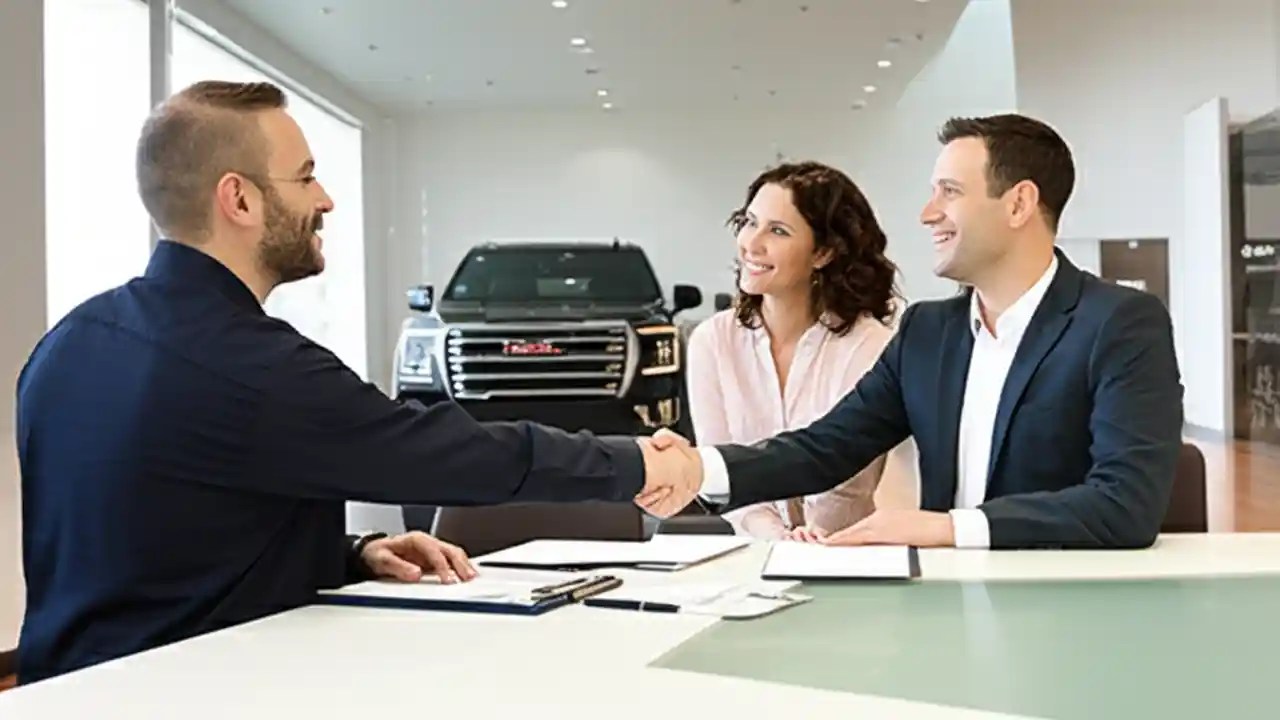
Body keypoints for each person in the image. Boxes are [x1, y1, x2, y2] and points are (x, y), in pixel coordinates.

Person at [14, 80, 691, 684]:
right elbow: (449, 453)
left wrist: (350, 552)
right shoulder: (255, 368)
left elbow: (157, 545)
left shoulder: (65, 345)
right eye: (305, 177)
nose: (326, 198)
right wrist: (634, 463)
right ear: (240, 198)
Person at [639, 113, 1184, 550]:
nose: (928, 213)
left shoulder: (1119, 322)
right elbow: (825, 448)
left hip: (1067, 609)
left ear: (1019, 203)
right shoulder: (929, 330)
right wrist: (696, 467)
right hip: (947, 610)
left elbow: (1125, 506)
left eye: (948, 191)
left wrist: (944, 528)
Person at [686, 161, 912, 540]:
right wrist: (776, 536)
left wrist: (814, 537)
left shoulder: (872, 345)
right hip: (756, 554)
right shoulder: (712, 341)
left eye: (777, 230)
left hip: (852, 553)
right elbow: (720, 467)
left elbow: (850, 480)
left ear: (822, 252)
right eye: (748, 221)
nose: (752, 244)